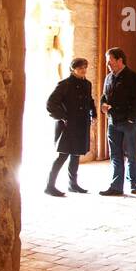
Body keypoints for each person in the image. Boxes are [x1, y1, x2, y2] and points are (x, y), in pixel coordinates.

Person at [44, 57, 96, 196]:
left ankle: (73, 184)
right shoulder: (64, 84)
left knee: (76, 154)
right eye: (80, 68)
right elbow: (51, 103)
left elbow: (89, 100)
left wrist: (94, 114)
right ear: (73, 69)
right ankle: (50, 186)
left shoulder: (87, 84)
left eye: (85, 67)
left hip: (81, 123)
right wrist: (63, 117)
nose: (83, 70)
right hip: (68, 125)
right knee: (62, 155)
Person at [99, 47, 136, 196]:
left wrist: (131, 119)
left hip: (128, 122)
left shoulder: (134, 77)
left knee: (131, 153)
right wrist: (102, 106)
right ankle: (116, 186)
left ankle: (132, 183)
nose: (108, 65)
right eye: (107, 62)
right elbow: (104, 97)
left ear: (120, 60)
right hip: (113, 122)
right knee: (115, 155)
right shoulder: (108, 78)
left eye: (110, 61)